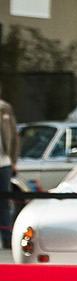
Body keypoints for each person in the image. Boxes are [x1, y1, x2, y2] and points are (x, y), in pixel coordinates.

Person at [0, 80, 18, 248]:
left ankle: (6, 238)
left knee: (4, 202)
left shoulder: (4, 108)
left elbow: (14, 135)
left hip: (3, 162)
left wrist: (14, 160)